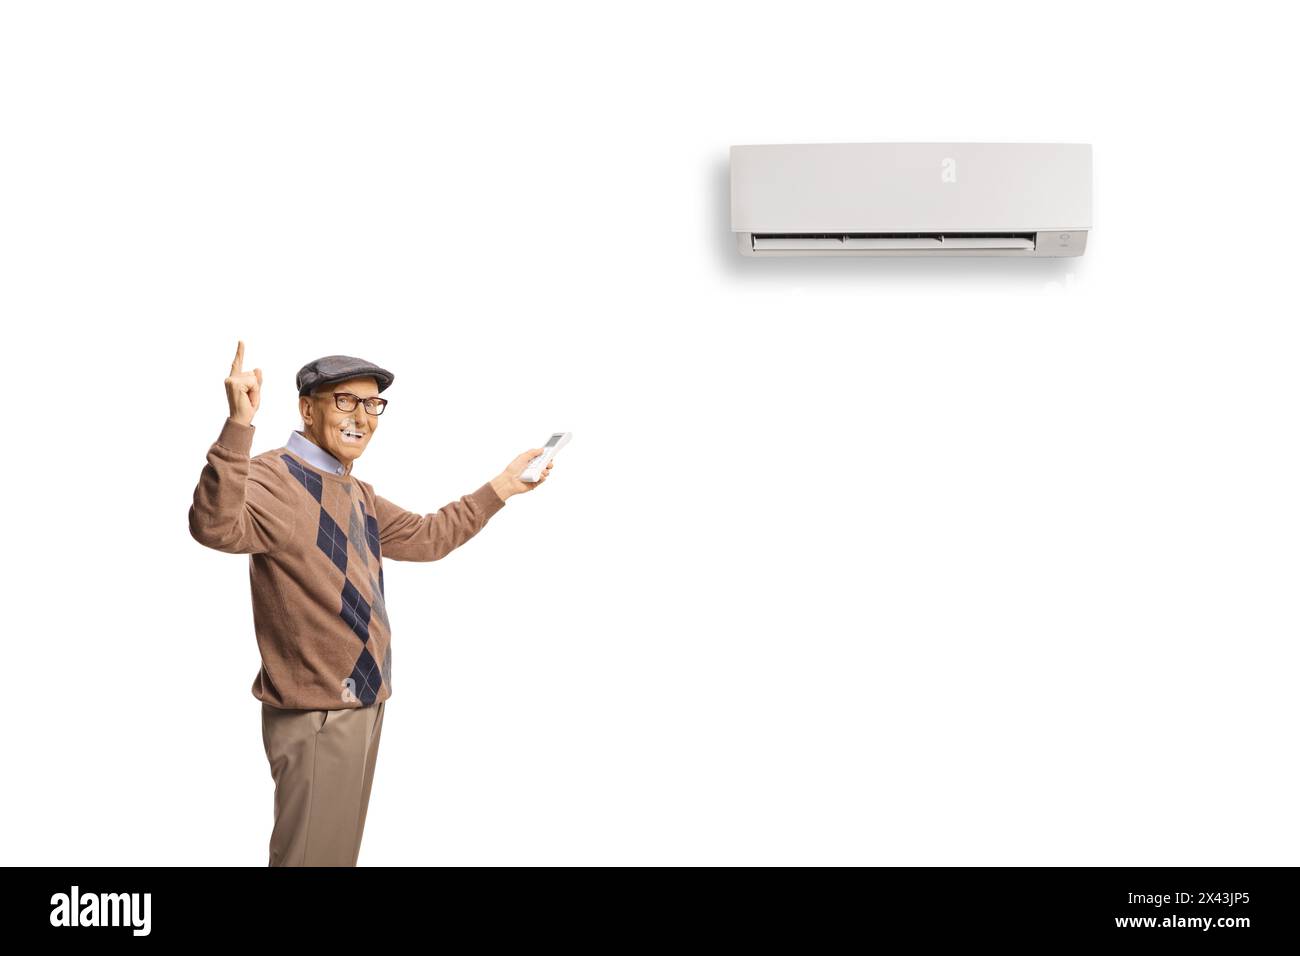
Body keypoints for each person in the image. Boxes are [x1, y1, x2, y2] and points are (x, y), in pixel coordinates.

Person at [188, 342, 553, 865]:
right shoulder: (275, 478)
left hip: (362, 702)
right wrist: (238, 427)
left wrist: (502, 487)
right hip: (318, 712)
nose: (362, 416)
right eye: (345, 401)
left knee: (332, 857)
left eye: (372, 404)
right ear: (307, 409)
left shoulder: (354, 492)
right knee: (311, 859)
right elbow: (214, 526)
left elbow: (429, 537)